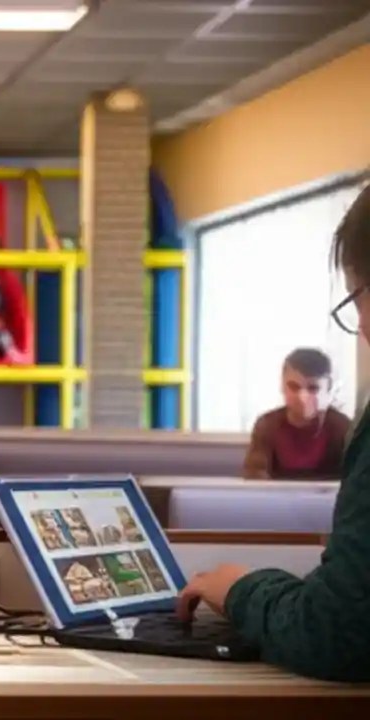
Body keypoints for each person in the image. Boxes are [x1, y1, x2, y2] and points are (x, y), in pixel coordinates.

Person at [177, 184, 370, 682]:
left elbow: (335, 632)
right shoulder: (268, 426)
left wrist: (241, 589)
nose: (363, 327)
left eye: (359, 297)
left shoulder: (348, 429)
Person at [242, 348, 351, 479]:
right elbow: (254, 479)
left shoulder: (344, 428)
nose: (302, 398)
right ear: (282, 386)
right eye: (294, 387)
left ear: (329, 389)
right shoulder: (267, 426)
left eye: (313, 388)